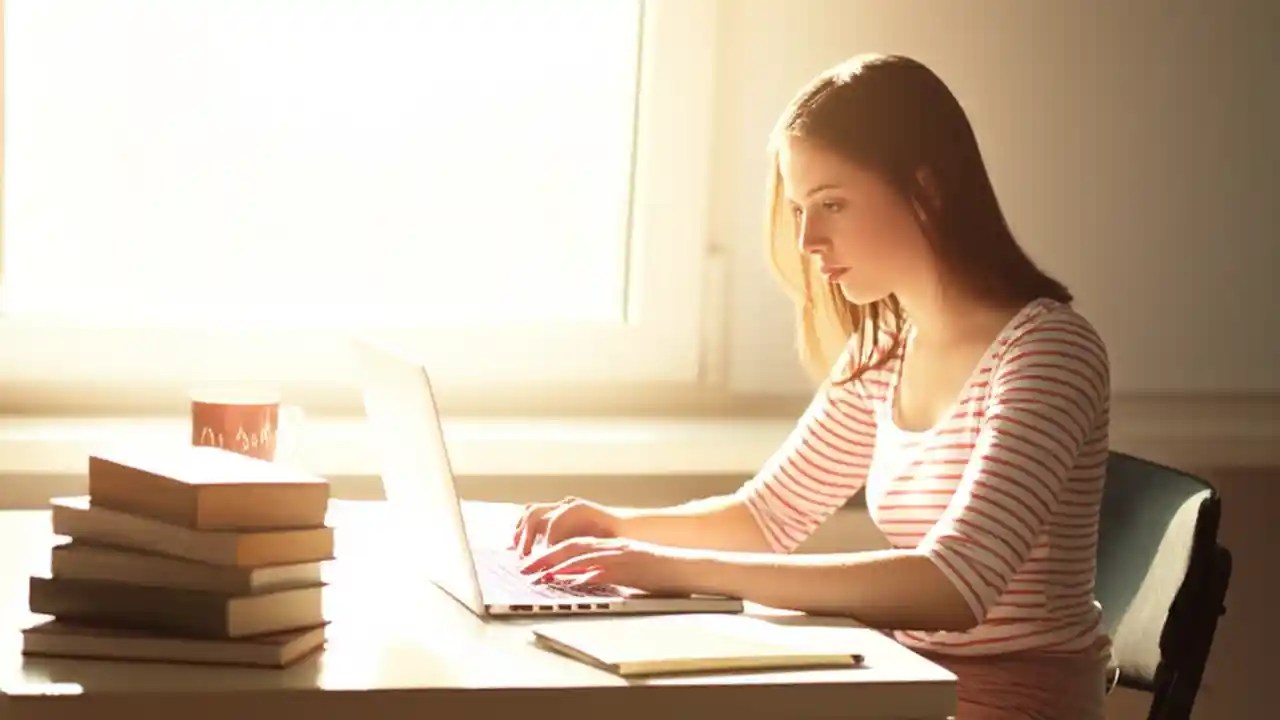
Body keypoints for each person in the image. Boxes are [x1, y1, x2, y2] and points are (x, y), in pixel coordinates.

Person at [514, 53, 1111, 720]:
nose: (808, 239)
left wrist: (667, 566)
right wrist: (615, 529)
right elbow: (767, 517)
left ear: (928, 189)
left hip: (1013, 704)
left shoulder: (1049, 350)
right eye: (800, 209)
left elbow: (955, 585)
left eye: (831, 204)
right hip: (906, 682)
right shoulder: (885, 347)